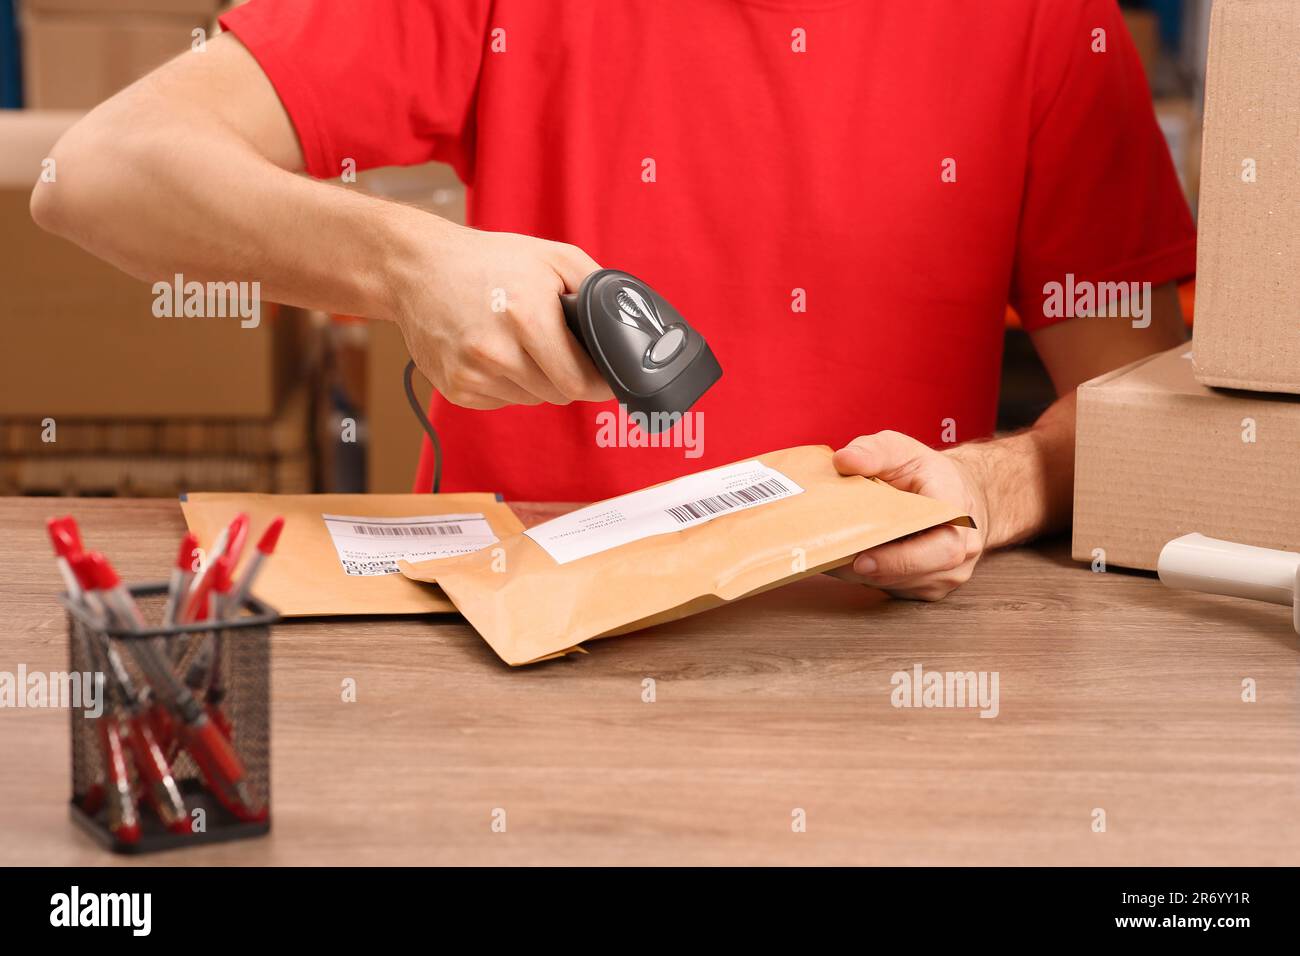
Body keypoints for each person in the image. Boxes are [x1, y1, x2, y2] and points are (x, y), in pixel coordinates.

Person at [30, 0, 1195, 601]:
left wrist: (999, 484)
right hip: (514, 650)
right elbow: (101, 171)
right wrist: (405, 261)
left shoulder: (1040, 19)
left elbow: (1139, 415)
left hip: (870, 640)